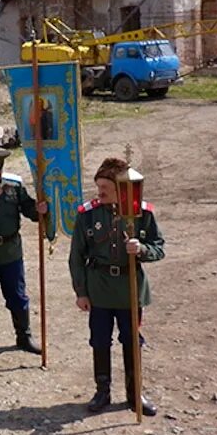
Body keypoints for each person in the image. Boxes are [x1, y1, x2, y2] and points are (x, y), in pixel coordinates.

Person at [70, 157, 163, 417]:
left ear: (120, 189)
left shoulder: (141, 213)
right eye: (98, 186)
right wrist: (81, 292)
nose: (99, 192)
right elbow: (76, 256)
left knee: (132, 341)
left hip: (129, 289)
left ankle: (135, 393)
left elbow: (159, 247)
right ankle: (102, 392)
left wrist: (141, 249)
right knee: (100, 340)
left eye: (105, 188)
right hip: (99, 289)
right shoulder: (88, 214)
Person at [0, 147, 46, 354]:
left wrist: (38, 210)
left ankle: (24, 337)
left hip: (11, 253)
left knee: (18, 296)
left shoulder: (14, 185)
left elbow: (28, 209)